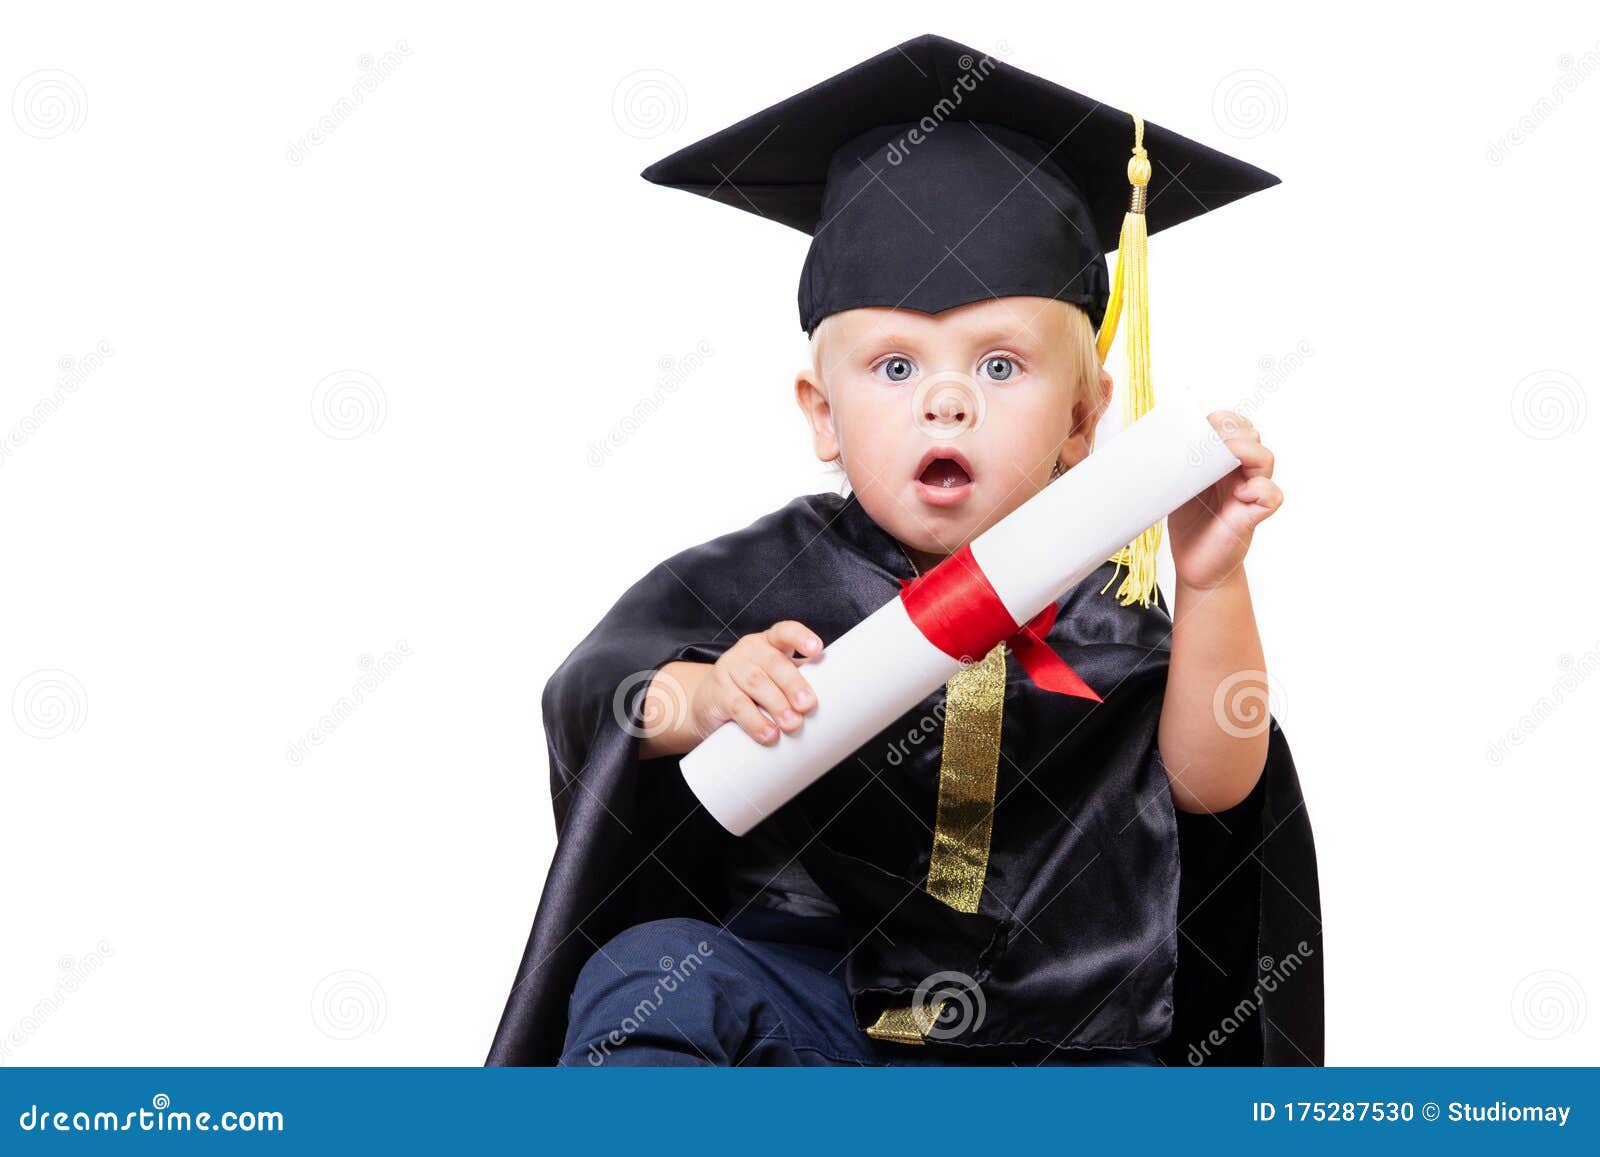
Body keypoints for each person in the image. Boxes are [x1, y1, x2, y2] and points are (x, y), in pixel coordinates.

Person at [487, 33, 1323, 1068]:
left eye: (1002, 365)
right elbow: (597, 698)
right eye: (893, 367)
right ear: (821, 414)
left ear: (1082, 420)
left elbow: (1212, 786)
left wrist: (1212, 580)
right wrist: (706, 695)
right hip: (817, 1016)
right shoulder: (764, 576)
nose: (947, 399)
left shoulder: (1109, 600)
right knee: (653, 971)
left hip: (1059, 1046)